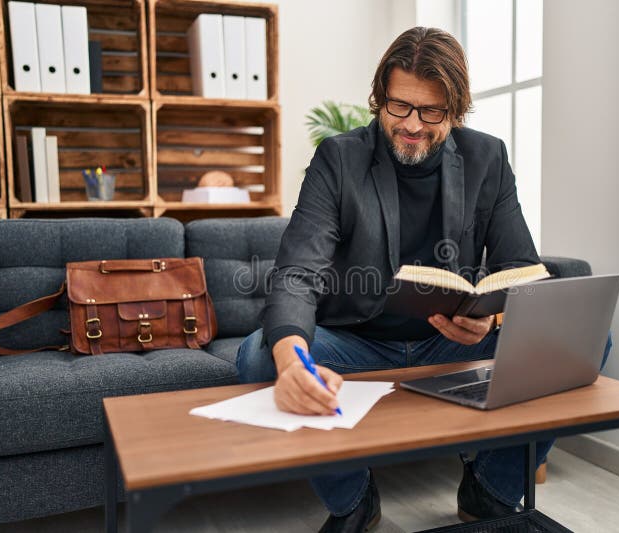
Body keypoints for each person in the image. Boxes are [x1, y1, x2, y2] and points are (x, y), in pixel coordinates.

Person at [238, 27, 560, 532]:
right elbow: (297, 272)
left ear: (455, 110)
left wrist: (492, 319)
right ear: (379, 98)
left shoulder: (488, 158)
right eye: (399, 106)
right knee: (260, 356)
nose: (411, 125)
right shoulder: (339, 158)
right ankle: (354, 501)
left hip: (449, 344)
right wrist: (293, 360)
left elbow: (519, 267)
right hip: (357, 344)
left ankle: (491, 490)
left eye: (430, 112)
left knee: (576, 339)